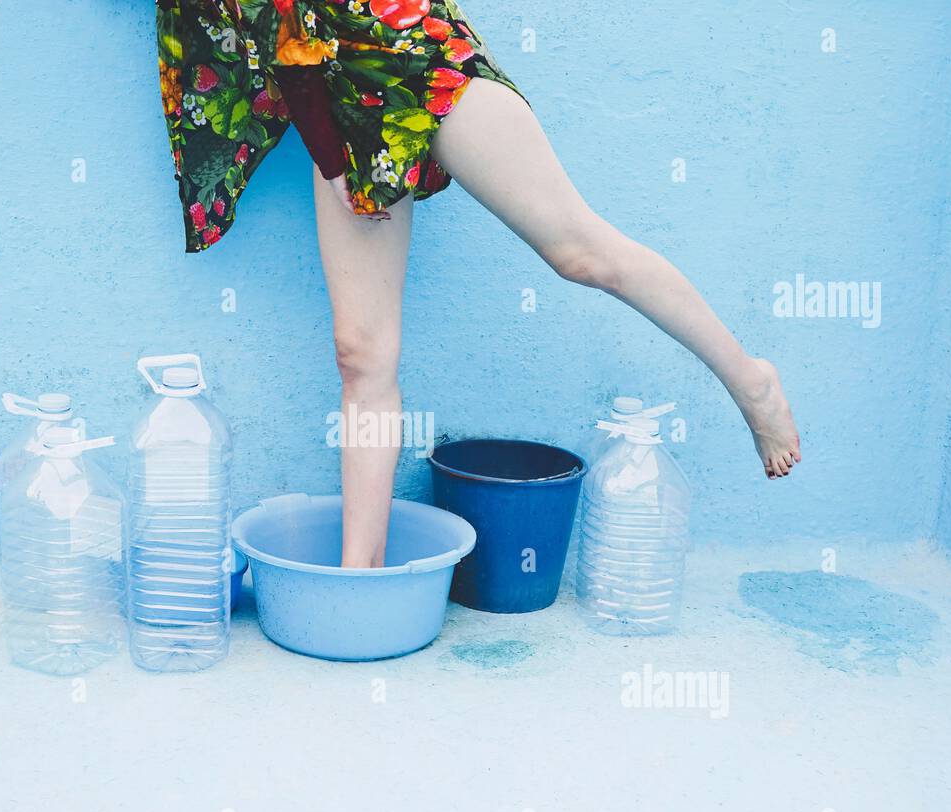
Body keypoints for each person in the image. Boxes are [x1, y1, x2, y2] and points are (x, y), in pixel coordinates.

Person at [157, 0, 801, 567]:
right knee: (360, 353)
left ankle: (750, 381)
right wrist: (333, 162)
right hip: (337, 111)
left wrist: (331, 157)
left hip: (415, 53)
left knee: (578, 253)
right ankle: (361, 574)